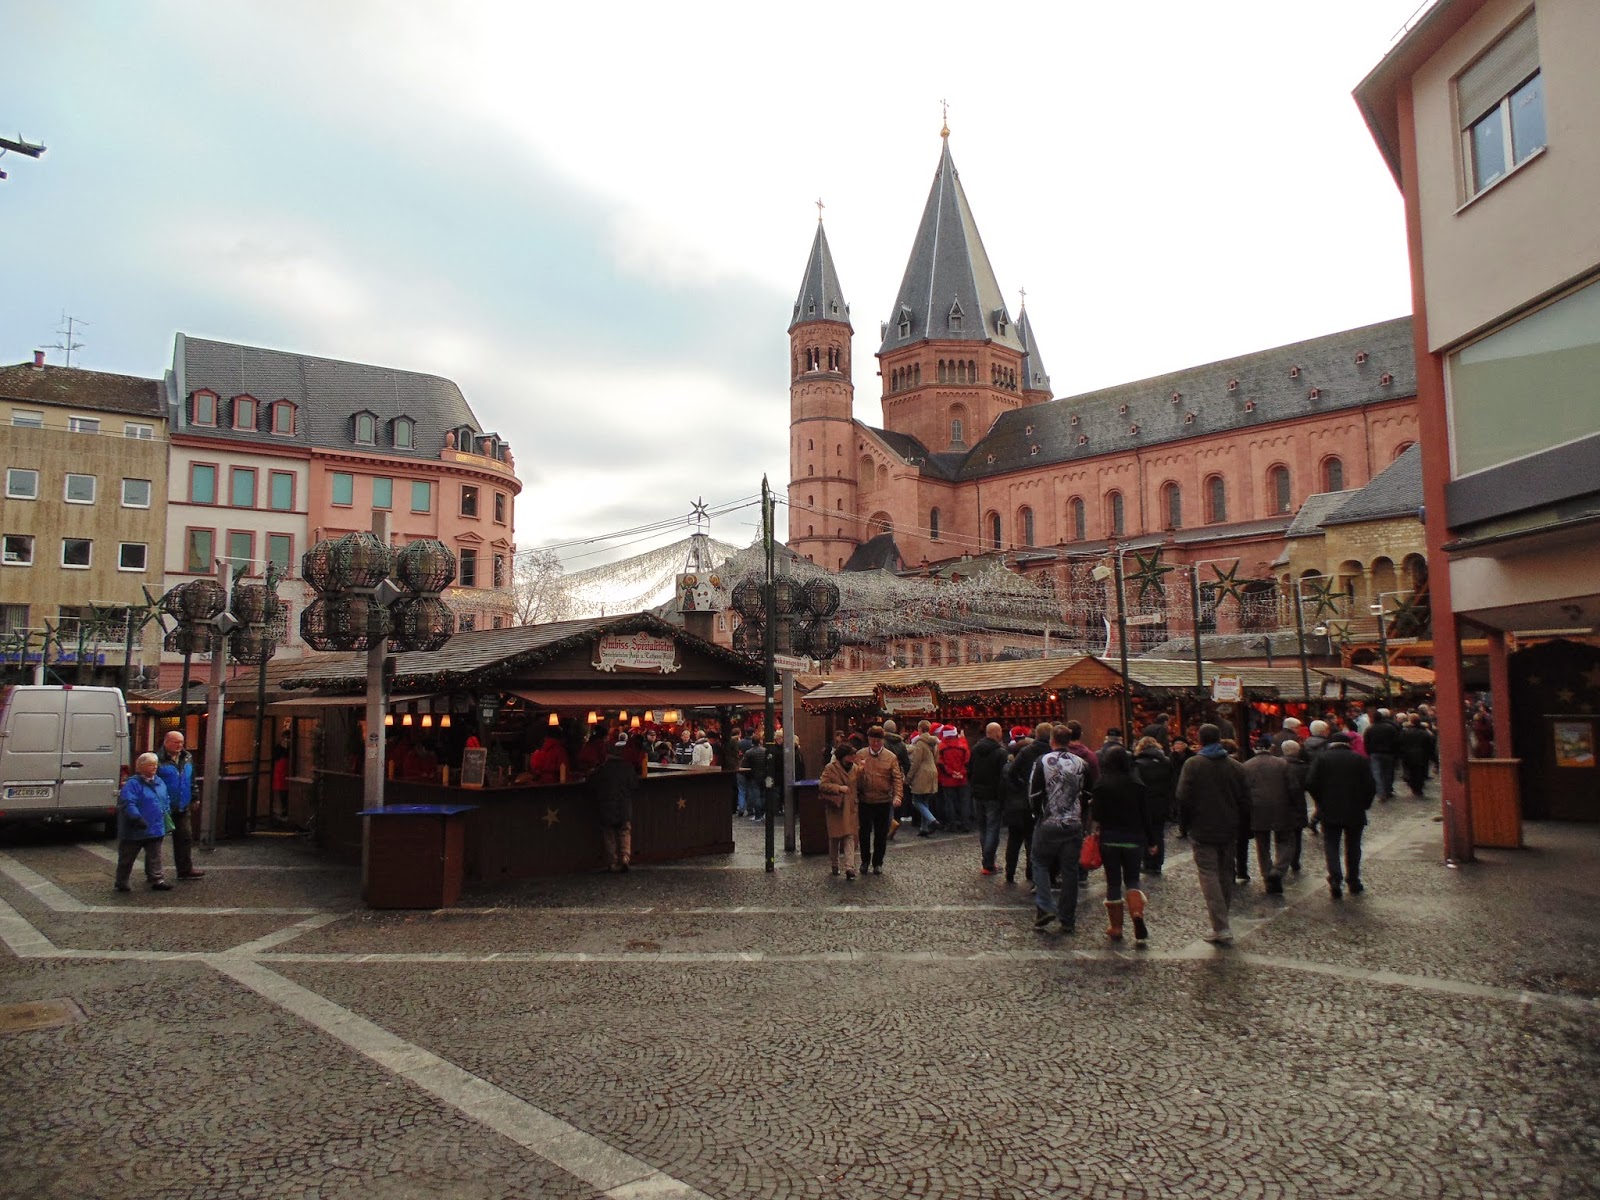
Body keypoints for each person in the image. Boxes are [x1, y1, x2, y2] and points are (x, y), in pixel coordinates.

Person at [1175, 723, 1248, 944]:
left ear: (1200, 739)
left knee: (1209, 874)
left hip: (1203, 827)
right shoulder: (1235, 767)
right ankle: (1222, 919)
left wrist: (1185, 825)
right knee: (1226, 872)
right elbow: (1245, 800)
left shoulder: (1193, 764)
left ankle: (1221, 926)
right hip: (1229, 827)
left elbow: (1182, 797)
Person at [1091, 745, 1158, 943]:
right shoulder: (1137, 784)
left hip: (1110, 839)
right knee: (1132, 880)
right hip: (1134, 839)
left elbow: (1097, 815)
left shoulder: (1102, 784)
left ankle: (1116, 927)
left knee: (1113, 882)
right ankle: (1137, 915)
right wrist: (1152, 841)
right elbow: (1146, 815)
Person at [1027, 726, 1087, 931]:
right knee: (1070, 870)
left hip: (1049, 821)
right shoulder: (1080, 762)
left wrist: (1037, 814)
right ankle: (1067, 918)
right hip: (1073, 821)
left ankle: (1045, 906)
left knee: (1040, 862)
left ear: (1052, 739)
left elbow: (1033, 793)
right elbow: (1087, 792)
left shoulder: (1042, 761)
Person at [1306, 731, 1377, 898]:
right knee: (1353, 846)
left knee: (1331, 844)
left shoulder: (1322, 759)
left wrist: (1320, 801)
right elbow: (1370, 785)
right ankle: (1353, 880)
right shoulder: (1359, 759)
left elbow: (1310, 782)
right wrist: (1365, 803)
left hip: (1330, 809)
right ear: (1348, 744)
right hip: (1355, 809)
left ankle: (1335, 878)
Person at [1243, 743, 1299, 894]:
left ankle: (1267, 875)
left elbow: (1243, 791)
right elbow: (1293, 787)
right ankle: (1278, 870)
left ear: (1255, 749)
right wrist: (1296, 807)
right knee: (1286, 841)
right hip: (1282, 807)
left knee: (1262, 845)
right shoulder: (1282, 764)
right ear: (1271, 748)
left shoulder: (1247, 766)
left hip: (1258, 809)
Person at [115, 752, 173, 892]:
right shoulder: (132, 784)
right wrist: (136, 818)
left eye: (155, 764)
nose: (155, 767)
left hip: (155, 826)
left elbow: (165, 800)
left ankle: (157, 879)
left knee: (155, 856)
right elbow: (128, 802)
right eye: (151, 765)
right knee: (127, 858)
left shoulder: (159, 782)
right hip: (135, 828)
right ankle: (121, 881)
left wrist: (167, 813)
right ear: (141, 767)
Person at [155, 730, 205, 881]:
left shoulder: (187, 757)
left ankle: (185, 870)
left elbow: (191, 780)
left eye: (181, 742)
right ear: (166, 742)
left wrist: (195, 798)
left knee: (185, 838)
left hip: (182, 805)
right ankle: (153, 874)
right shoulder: (157, 759)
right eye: (175, 742)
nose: (179, 745)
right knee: (155, 841)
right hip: (163, 807)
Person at [854, 726, 903, 874]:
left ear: (882, 741)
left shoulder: (890, 757)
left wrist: (897, 796)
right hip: (865, 800)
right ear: (868, 740)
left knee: (881, 834)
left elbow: (897, 778)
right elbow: (853, 776)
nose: (875, 743)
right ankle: (864, 861)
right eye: (872, 740)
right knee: (864, 833)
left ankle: (877, 862)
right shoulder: (860, 755)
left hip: (883, 800)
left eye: (878, 740)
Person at [1002, 724, 1047, 884]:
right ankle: (1030, 871)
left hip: (1013, 807)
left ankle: (1010, 872)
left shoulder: (1008, 769)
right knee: (1029, 840)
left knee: (1013, 841)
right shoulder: (1030, 772)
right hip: (1026, 807)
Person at [590, 735, 638, 872]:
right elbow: (635, 784)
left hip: (606, 806)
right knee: (624, 831)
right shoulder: (627, 768)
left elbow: (591, 784)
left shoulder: (602, 770)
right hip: (624, 806)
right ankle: (625, 858)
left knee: (609, 834)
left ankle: (611, 862)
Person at [969, 722, 1009, 875]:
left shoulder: (975, 749)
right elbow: (1003, 776)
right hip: (993, 795)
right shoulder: (1001, 753)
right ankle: (988, 862)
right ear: (997, 733)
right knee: (992, 828)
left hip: (978, 794)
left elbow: (970, 770)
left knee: (983, 828)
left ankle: (987, 860)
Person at [1131, 736, 1174, 875]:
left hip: (1146, 803)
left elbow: (1137, 786)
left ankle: (1148, 861)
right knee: (1159, 833)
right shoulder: (1166, 761)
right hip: (1161, 802)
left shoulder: (1138, 763)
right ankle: (1158, 862)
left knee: (1145, 832)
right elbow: (1172, 782)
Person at [818, 742, 859, 879]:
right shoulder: (830, 768)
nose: (852, 759)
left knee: (849, 836)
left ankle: (849, 867)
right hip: (836, 807)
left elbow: (860, 783)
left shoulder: (855, 769)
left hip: (850, 807)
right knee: (835, 837)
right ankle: (834, 864)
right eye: (849, 756)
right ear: (842, 757)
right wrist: (838, 788)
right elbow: (823, 785)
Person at [906, 720, 942, 834]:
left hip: (922, 774)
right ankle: (924, 828)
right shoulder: (934, 742)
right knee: (925, 800)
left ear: (920, 729)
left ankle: (932, 820)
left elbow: (916, 762)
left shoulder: (920, 743)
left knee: (916, 800)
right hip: (932, 771)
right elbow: (936, 759)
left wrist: (908, 777)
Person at [936, 725, 971, 832]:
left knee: (949, 803)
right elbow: (967, 761)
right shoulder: (963, 745)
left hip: (948, 780)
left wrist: (951, 773)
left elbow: (940, 763)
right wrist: (960, 772)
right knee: (964, 802)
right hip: (962, 778)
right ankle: (965, 824)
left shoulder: (941, 747)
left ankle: (952, 825)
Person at [1363, 708, 1401, 802]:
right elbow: (1396, 741)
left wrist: (1369, 752)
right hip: (1389, 753)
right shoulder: (1390, 728)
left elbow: (1366, 742)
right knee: (1388, 773)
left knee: (1377, 774)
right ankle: (1388, 791)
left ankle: (1381, 793)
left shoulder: (1370, 729)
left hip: (1375, 754)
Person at [1398, 713, 1436, 799]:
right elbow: (1429, 745)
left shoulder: (1405, 732)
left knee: (1410, 772)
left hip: (1408, 755)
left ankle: (1414, 787)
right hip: (1421, 756)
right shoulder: (1424, 733)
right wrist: (1432, 758)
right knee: (1419, 772)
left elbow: (1400, 743)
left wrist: (1401, 754)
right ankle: (1418, 788)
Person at [740, 737, 768, 819]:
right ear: (760, 741)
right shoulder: (765, 751)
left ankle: (758, 814)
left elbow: (744, 765)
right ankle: (762, 812)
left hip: (753, 776)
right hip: (763, 775)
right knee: (763, 795)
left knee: (756, 795)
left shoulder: (749, 753)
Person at [270, 734, 291, 820]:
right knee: (281, 790)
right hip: (280, 770)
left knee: (285, 791)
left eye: (288, 738)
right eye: (285, 738)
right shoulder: (278, 747)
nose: (286, 740)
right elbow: (275, 756)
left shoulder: (291, 747)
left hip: (286, 770)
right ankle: (281, 809)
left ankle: (285, 809)